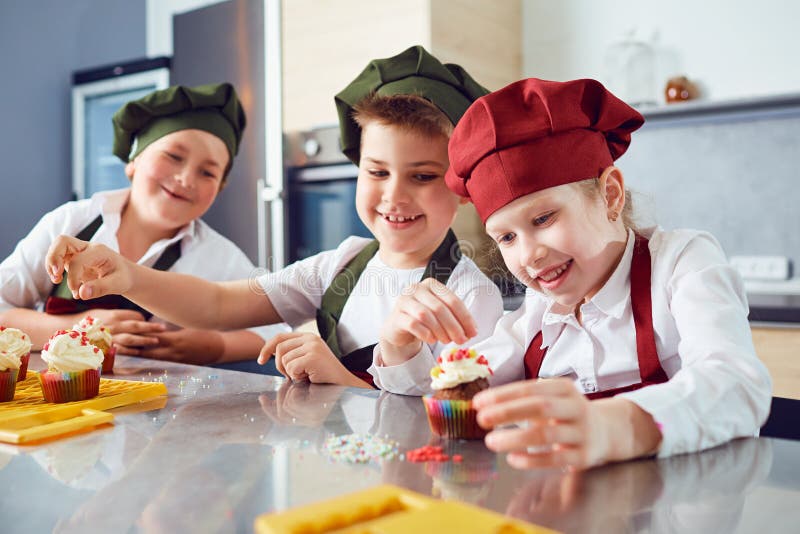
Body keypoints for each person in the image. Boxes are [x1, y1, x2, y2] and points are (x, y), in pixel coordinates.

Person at [44, 46, 504, 389]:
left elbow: (456, 424)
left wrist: (339, 377)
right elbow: (219, 305)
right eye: (377, 171)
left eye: (423, 175)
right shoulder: (341, 264)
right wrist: (127, 276)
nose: (394, 195)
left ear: (462, 187)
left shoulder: (470, 297)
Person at [382, 77, 772, 468]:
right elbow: (453, 395)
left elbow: (737, 384)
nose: (530, 254)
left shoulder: (682, 263)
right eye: (507, 237)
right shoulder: (536, 313)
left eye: (544, 217)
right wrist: (401, 345)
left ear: (611, 196)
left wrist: (623, 425)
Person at [0, 83, 286, 365]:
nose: (186, 179)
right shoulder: (69, 223)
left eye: (207, 173)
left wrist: (214, 347)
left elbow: (273, 330)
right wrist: (77, 329)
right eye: (173, 156)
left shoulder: (219, 257)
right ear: (133, 161)